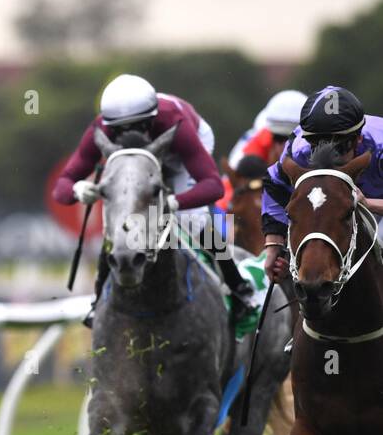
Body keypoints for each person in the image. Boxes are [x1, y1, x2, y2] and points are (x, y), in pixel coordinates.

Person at [53, 73, 257, 326]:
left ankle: (239, 288)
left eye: (139, 126)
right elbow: (61, 186)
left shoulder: (176, 124)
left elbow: (213, 186)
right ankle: (98, 301)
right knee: (118, 220)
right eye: (120, 130)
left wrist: (173, 203)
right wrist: (77, 191)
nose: (130, 134)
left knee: (191, 220)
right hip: (138, 161)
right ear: (108, 126)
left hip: (179, 151)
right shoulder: (100, 129)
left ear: (152, 119)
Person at [263, 86, 383, 284]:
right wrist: (273, 244)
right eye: (317, 145)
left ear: (358, 138)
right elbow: (274, 184)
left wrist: (368, 204)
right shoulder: (299, 151)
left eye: (339, 147)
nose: (329, 155)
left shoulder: (380, 148)